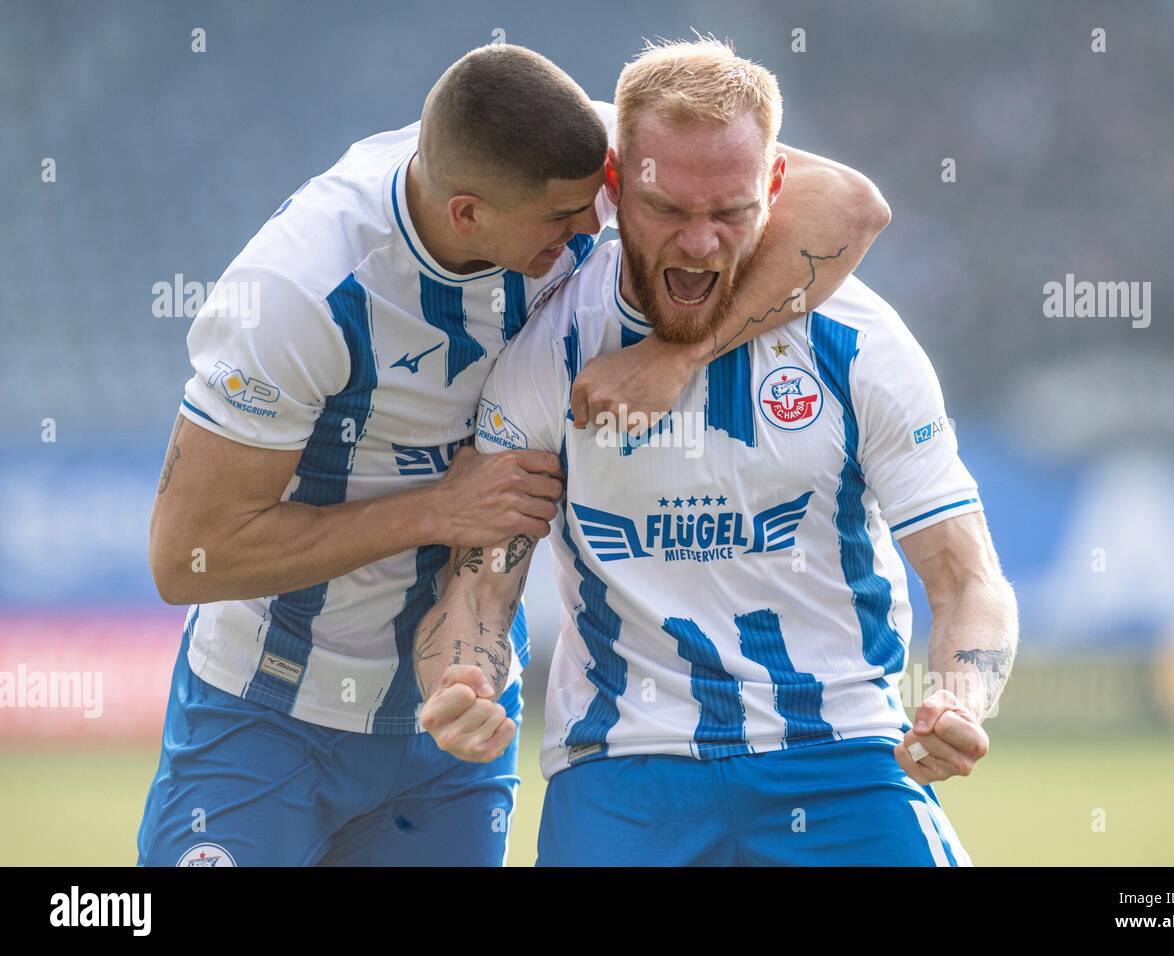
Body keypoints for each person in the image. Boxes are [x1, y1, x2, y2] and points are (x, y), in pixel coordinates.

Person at [138, 41, 891, 866]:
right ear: (469, 216)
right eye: (566, 221)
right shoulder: (296, 296)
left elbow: (847, 203)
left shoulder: (575, 163)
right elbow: (189, 557)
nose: (595, 226)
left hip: (459, 716)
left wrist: (679, 355)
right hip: (265, 714)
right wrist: (434, 509)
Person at [415, 37, 1018, 866]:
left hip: (841, 754)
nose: (699, 244)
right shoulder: (543, 357)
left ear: (775, 188)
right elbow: (482, 588)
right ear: (616, 189)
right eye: (668, 210)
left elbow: (967, 577)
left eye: (730, 212)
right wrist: (462, 682)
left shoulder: (859, 346)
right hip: (623, 770)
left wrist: (958, 698)